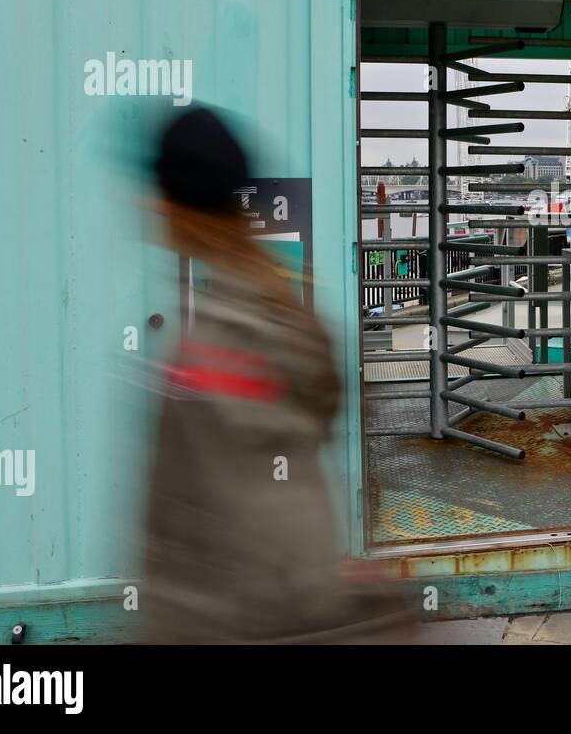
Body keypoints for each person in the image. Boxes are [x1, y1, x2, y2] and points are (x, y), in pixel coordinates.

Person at [143, 107, 413, 643]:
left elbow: (200, 512)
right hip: (299, 582)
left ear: (172, 205)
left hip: (248, 613)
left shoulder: (214, 343)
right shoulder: (289, 307)